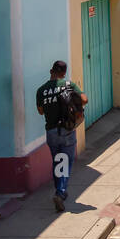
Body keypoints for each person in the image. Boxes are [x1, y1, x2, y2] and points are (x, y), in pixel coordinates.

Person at [36, 61, 87, 212]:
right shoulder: (69, 85)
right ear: (64, 73)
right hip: (66, 130)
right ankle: (60, 192)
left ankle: (59, 188)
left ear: (51, 70)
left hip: (51, 131)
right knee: (65, 162)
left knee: (58, 161)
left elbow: (40, 111)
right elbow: (84, 99)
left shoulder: (41, 90)